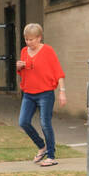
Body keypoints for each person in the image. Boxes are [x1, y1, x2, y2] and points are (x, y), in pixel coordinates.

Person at [15, 23, 67, 167]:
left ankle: (51, 156)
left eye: (31, 39)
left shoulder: (48, 51)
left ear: (39, 38)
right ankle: (41, 146)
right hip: (28, 94)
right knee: (23, 122)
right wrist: (19, 67)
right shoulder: (24, 51)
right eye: (26, 39)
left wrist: (62, 92)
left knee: (45, 123)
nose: (28, 42)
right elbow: (25, 71)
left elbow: (58, 72)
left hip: (45, 93)